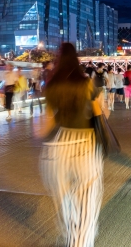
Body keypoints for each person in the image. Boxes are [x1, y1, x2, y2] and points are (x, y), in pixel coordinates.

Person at [37, 43, 104, 247]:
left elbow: (47, 124)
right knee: (86, 206)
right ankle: (80, 240)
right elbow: (101, 114)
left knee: (66, 204)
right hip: (85, 146)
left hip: (58, 149)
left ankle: (72, 237)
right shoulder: (86, 84)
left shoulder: (52, 85)